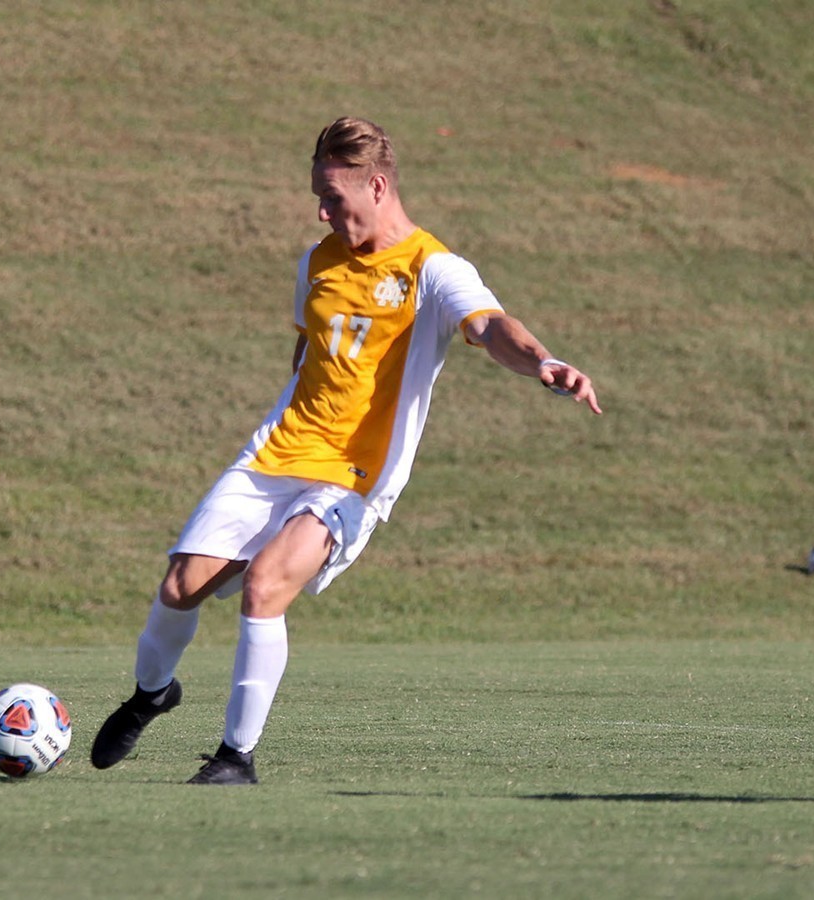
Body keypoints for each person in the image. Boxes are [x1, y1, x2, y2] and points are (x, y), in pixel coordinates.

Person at [89, 116, 602, 785]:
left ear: (379, 186)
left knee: (265, 587)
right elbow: (306, 350)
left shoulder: (433, 270)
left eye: (335, 198)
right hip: (277, 455)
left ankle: (234, 758)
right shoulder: (317, 261)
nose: (323, 211)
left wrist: (544, 362)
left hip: (354, 480)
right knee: (180, 586)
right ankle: (152, 694)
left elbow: (490, 326)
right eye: (318, 197)